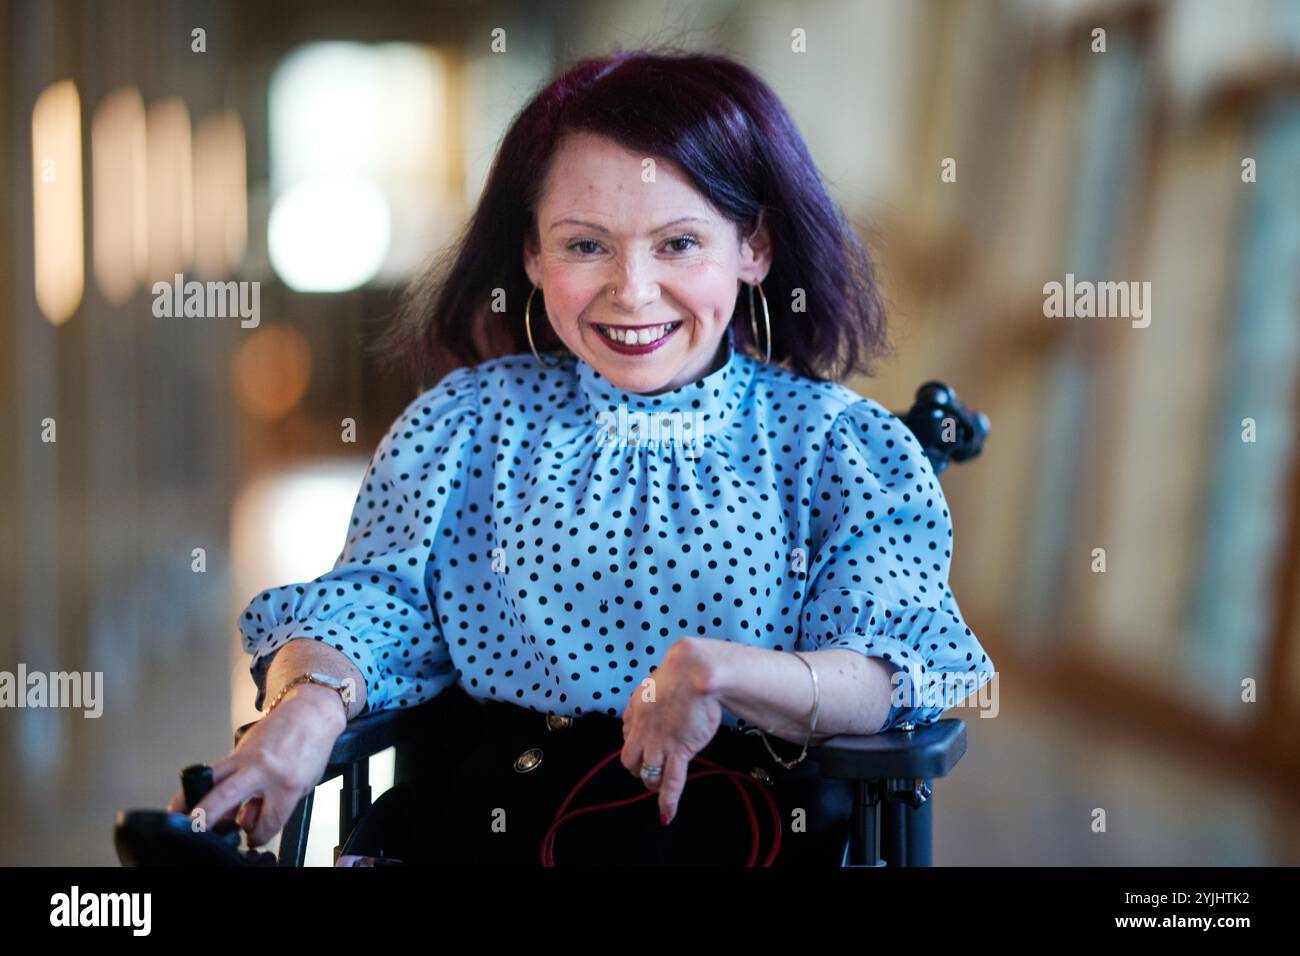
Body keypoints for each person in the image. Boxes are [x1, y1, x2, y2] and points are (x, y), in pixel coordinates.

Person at [168, 46, 994, 866]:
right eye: (585, 245)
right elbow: (370, 605)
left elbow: (890, 674)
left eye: (677, 243)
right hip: (488, 822)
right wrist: (305, 709)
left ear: (755, 248)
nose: (631, 291)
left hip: (733, 830)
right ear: (531, 254)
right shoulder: (465, 426)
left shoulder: (835, 447)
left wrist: (721, 674)